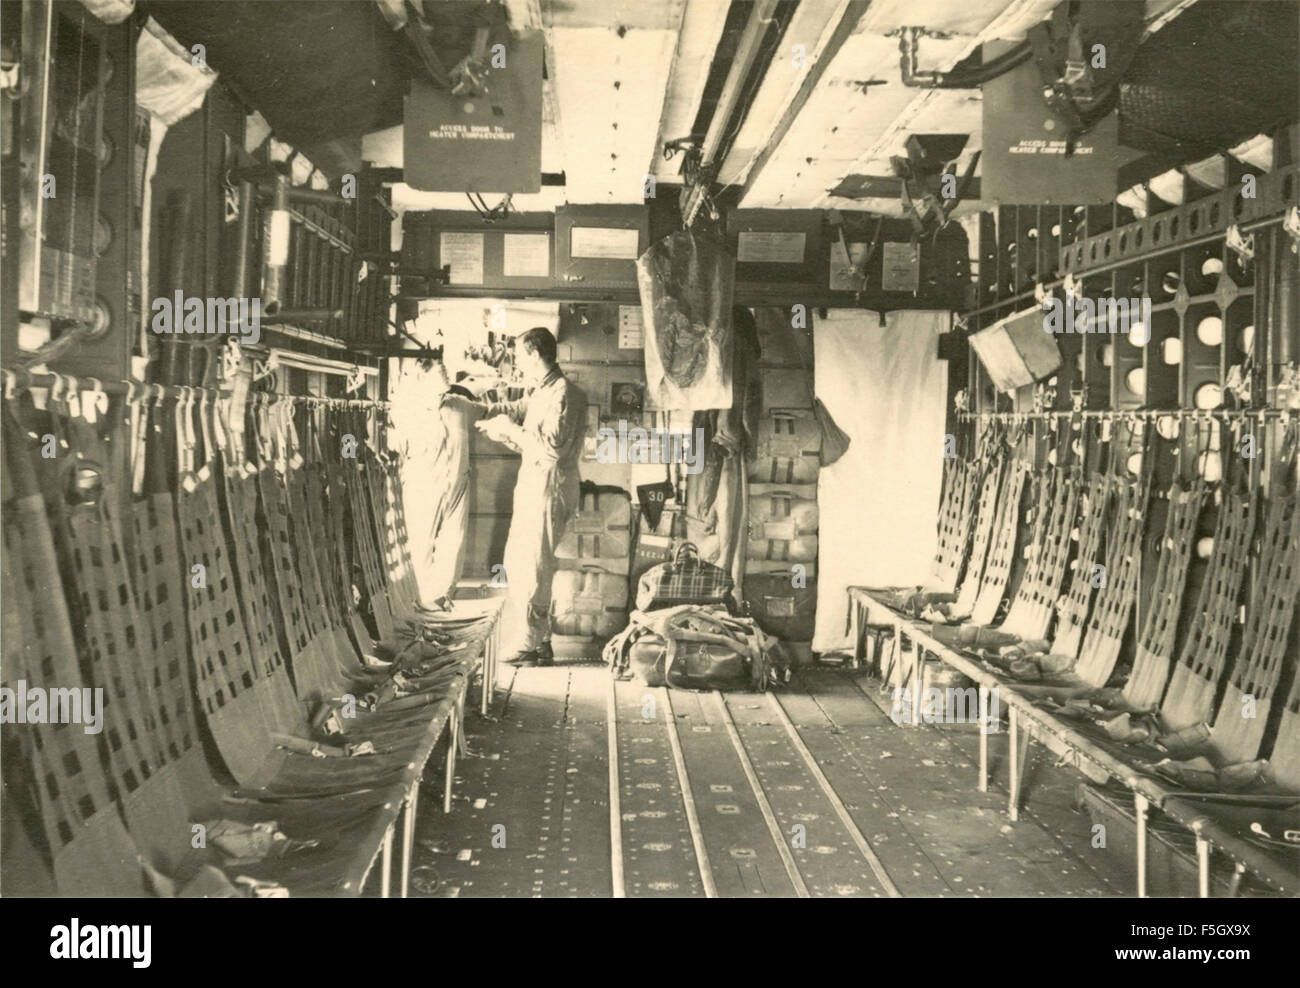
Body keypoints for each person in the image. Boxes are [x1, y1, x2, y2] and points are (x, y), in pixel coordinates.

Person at [442, 327, 587, 666]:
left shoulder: (563, 393)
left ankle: (528, 642)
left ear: (535, 354)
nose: (517, 362)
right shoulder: (544, 389)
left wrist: (508, 430)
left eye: (520, 355)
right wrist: (470, 405)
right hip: (537, 481)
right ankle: (539, 642)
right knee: (523, 562)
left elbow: (551, 449)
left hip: (550, 482)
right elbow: (515, 406)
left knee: (533, 566)